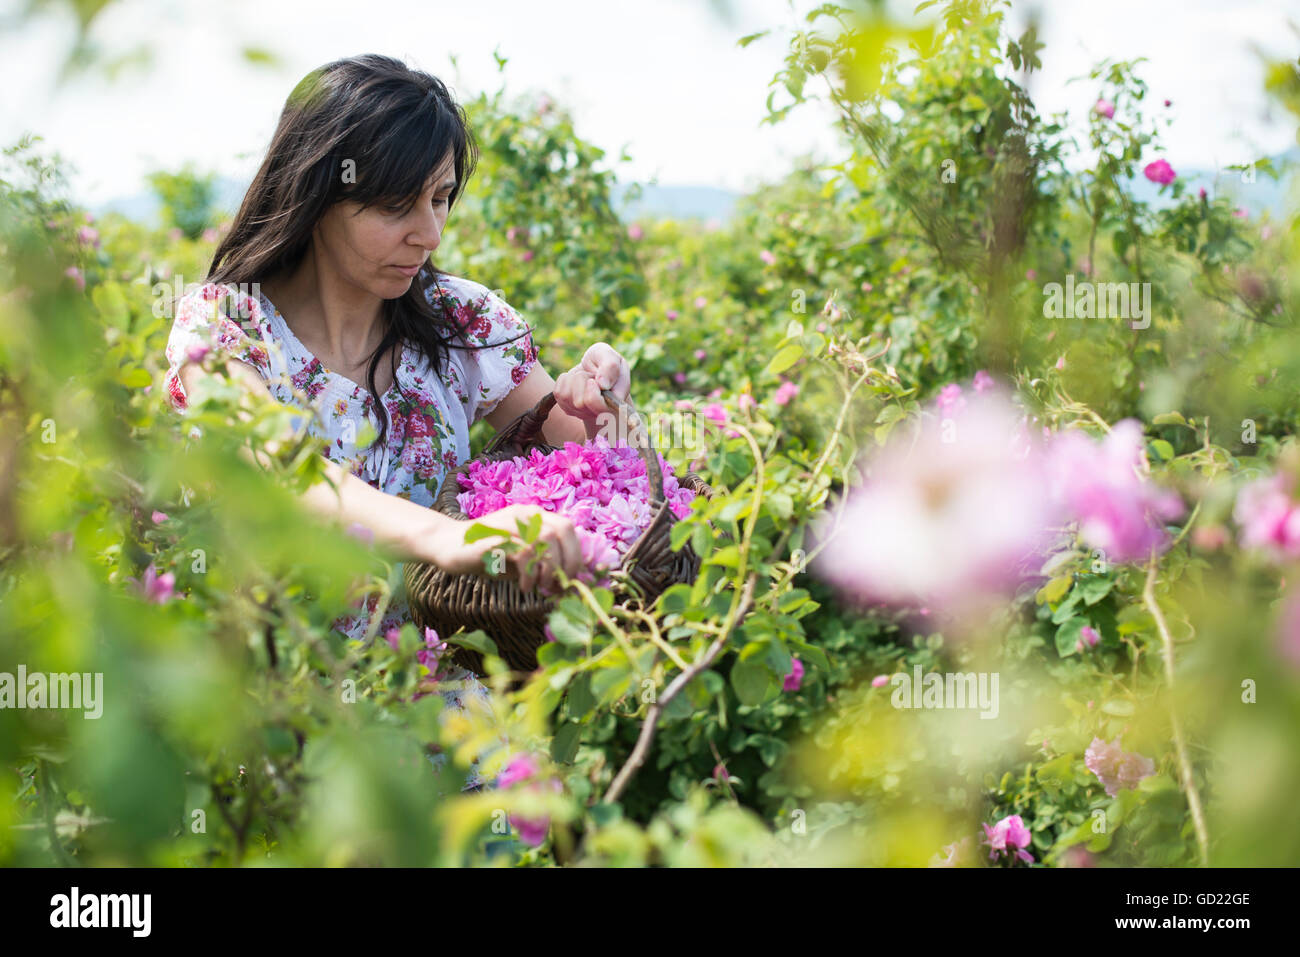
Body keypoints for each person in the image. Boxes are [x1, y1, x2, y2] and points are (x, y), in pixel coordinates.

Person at [161, 54, 631, 790]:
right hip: (277, 723)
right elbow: (287, 472)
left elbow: (580, 456)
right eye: (396, 206)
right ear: (319, 191)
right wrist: (454, 538)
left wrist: (599, 397)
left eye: (441, 199)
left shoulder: (462, 320)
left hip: (447, 723)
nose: (429, 233)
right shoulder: (225, 328)